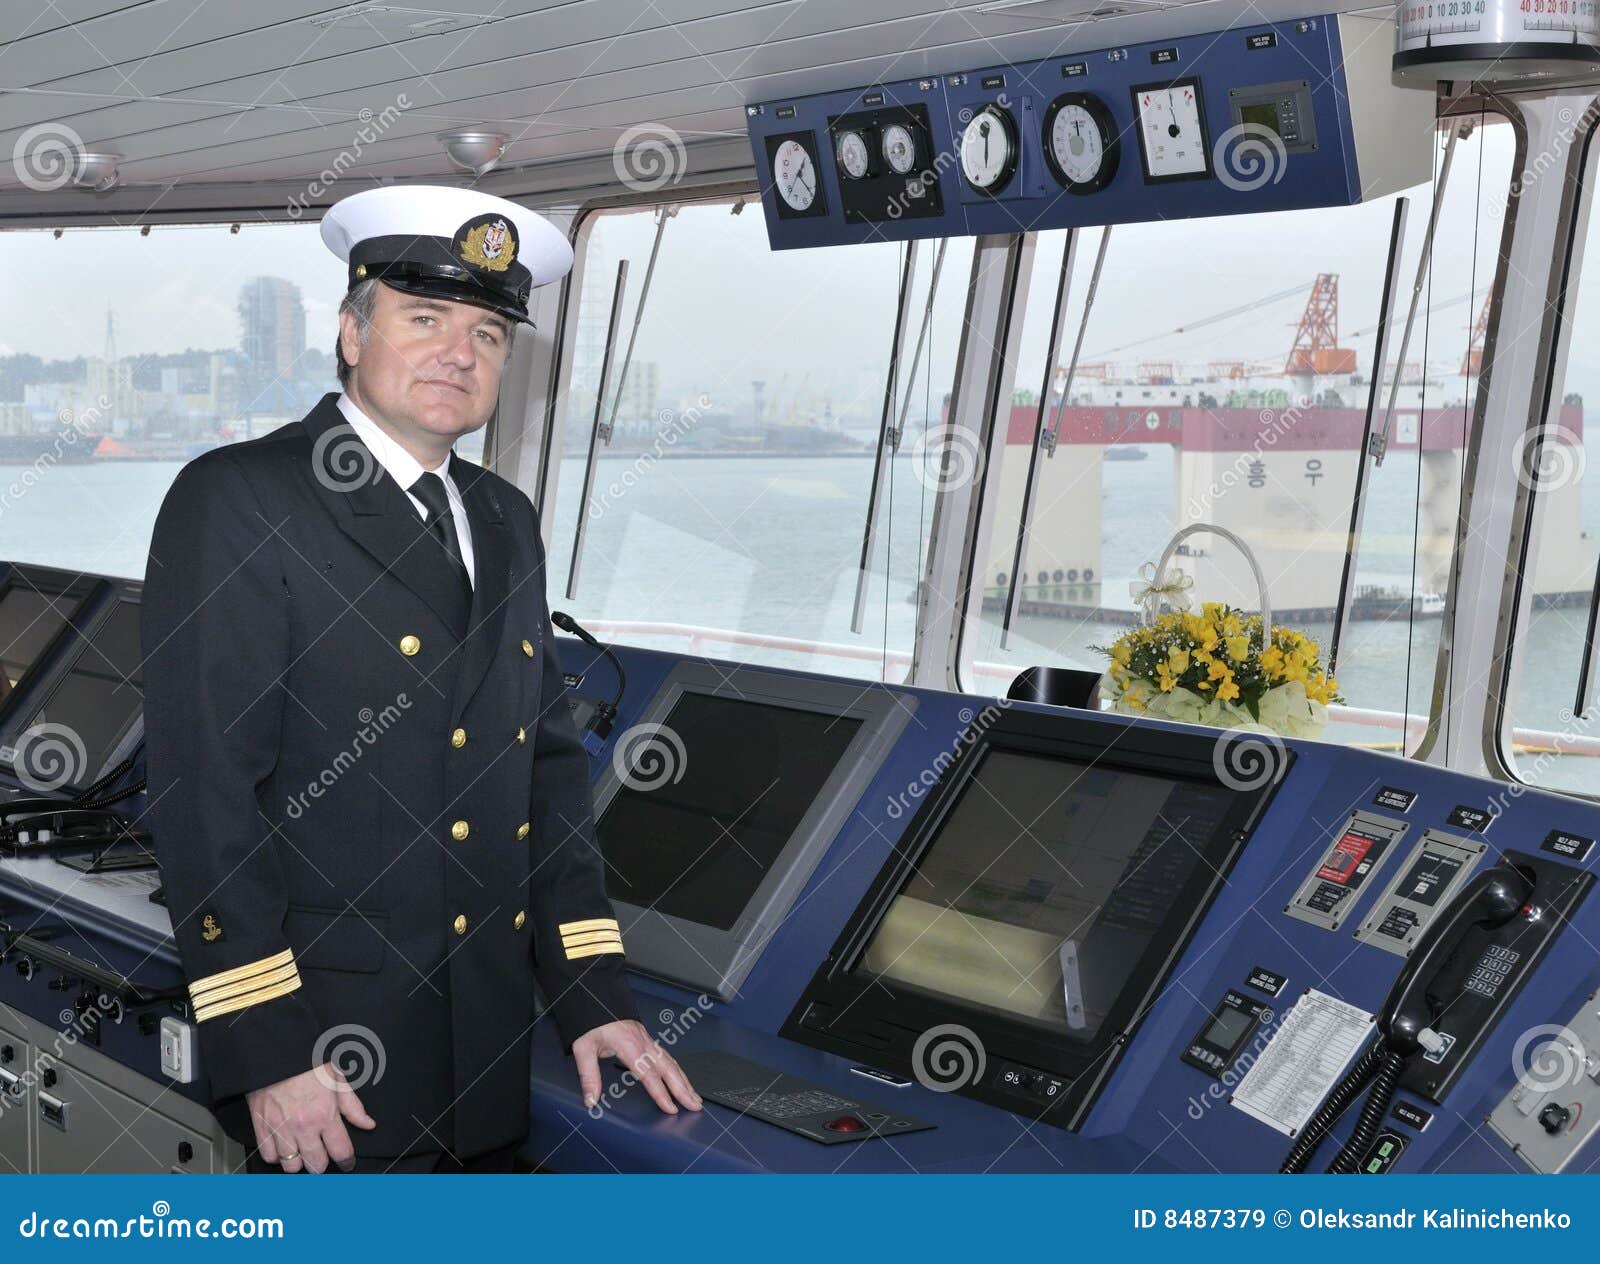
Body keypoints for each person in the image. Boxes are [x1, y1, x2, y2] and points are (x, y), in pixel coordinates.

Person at [141, 185, 699, 1174]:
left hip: (484, 1034)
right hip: (332, 1048)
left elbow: (548, 779)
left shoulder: (504, 515)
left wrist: (590, 996)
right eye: (426, 319)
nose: (459, 353)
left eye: (489, 334)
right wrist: (267, 1048)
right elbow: (205, 798)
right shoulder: (241, 498)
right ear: (353, 335)